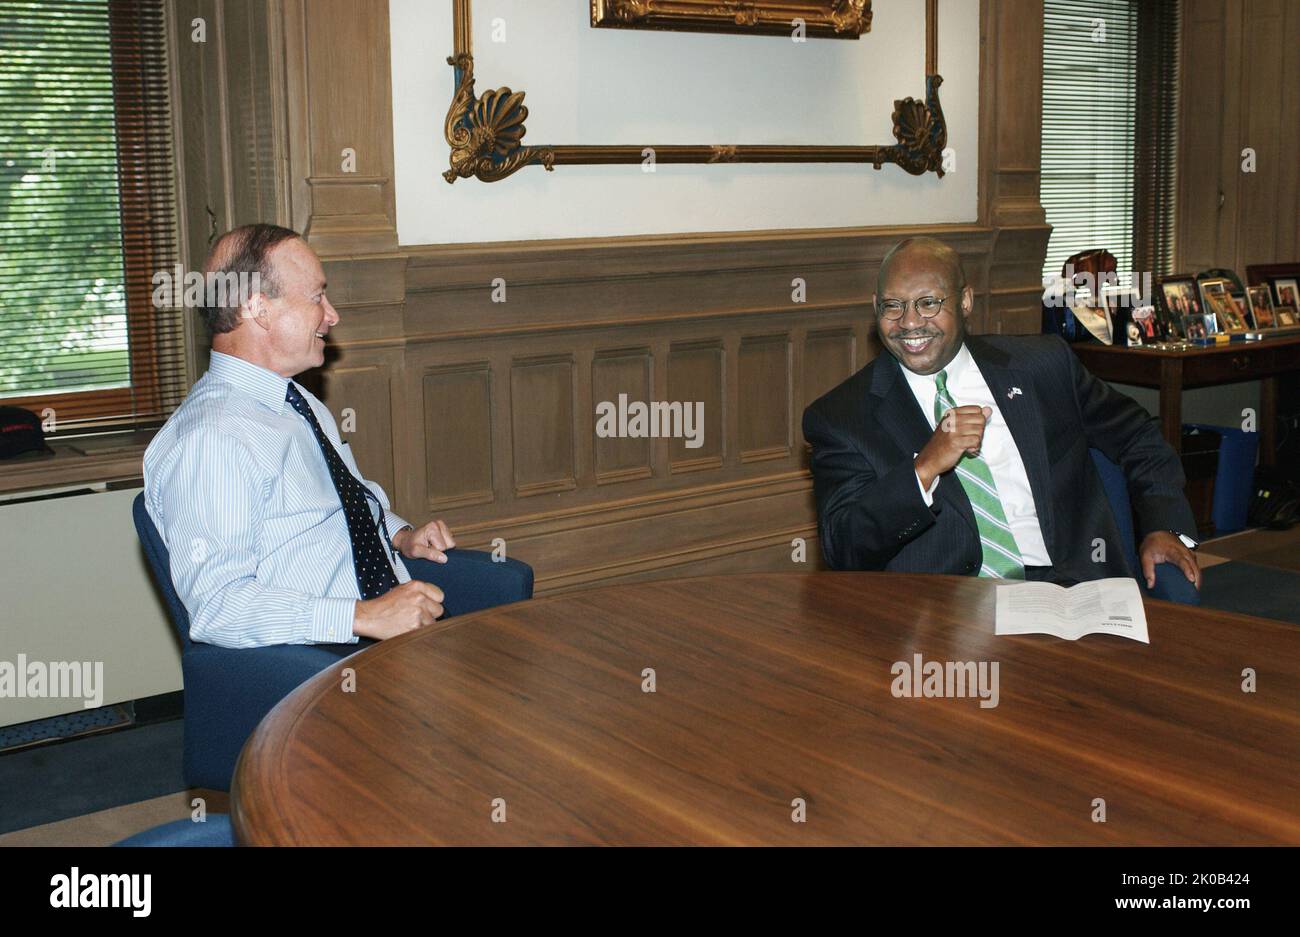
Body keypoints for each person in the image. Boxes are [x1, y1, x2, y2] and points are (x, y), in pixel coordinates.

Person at [802, 237, 1201, 591]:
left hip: (1071, 591)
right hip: (942, 615)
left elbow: (1136, 435)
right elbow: (845, 548)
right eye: (893, 306)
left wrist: (1165, 524)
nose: (909, 322)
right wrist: (922, 469)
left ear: (965, 301)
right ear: (876, 308)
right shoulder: (843, 416)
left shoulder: (1042, 366)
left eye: (928, 303)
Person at [144, 224, 454, 649]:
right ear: (260, 309)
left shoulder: (296, 400)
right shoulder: (211, 440)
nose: (332, 314)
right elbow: (218, 606)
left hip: (392, 631)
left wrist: (401, 536)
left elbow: (345, 500)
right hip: (323, 664)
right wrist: (363, 616)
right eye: (316, 297)